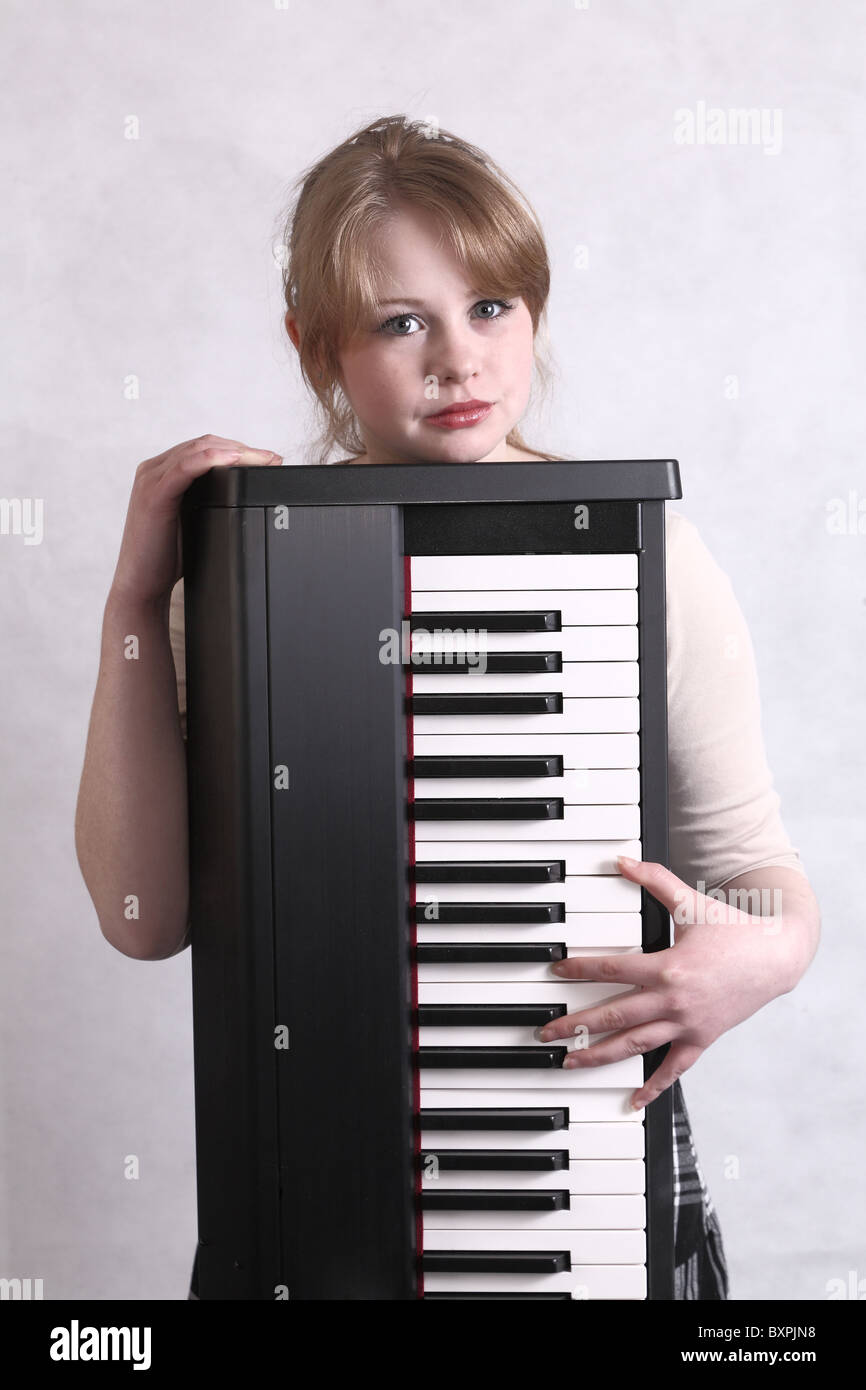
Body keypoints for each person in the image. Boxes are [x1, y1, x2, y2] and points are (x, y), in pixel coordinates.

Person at [75, 114, 821, 1302]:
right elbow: (139, 915)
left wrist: (756, 961)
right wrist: (134, 590)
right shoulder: (236, 574)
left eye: (490, 308)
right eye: (398, 321)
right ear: (314, 347)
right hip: (315, 1185)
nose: (458, 359)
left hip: (586, 1171)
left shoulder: (656, 558)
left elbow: (762, 876)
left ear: (532, 319)